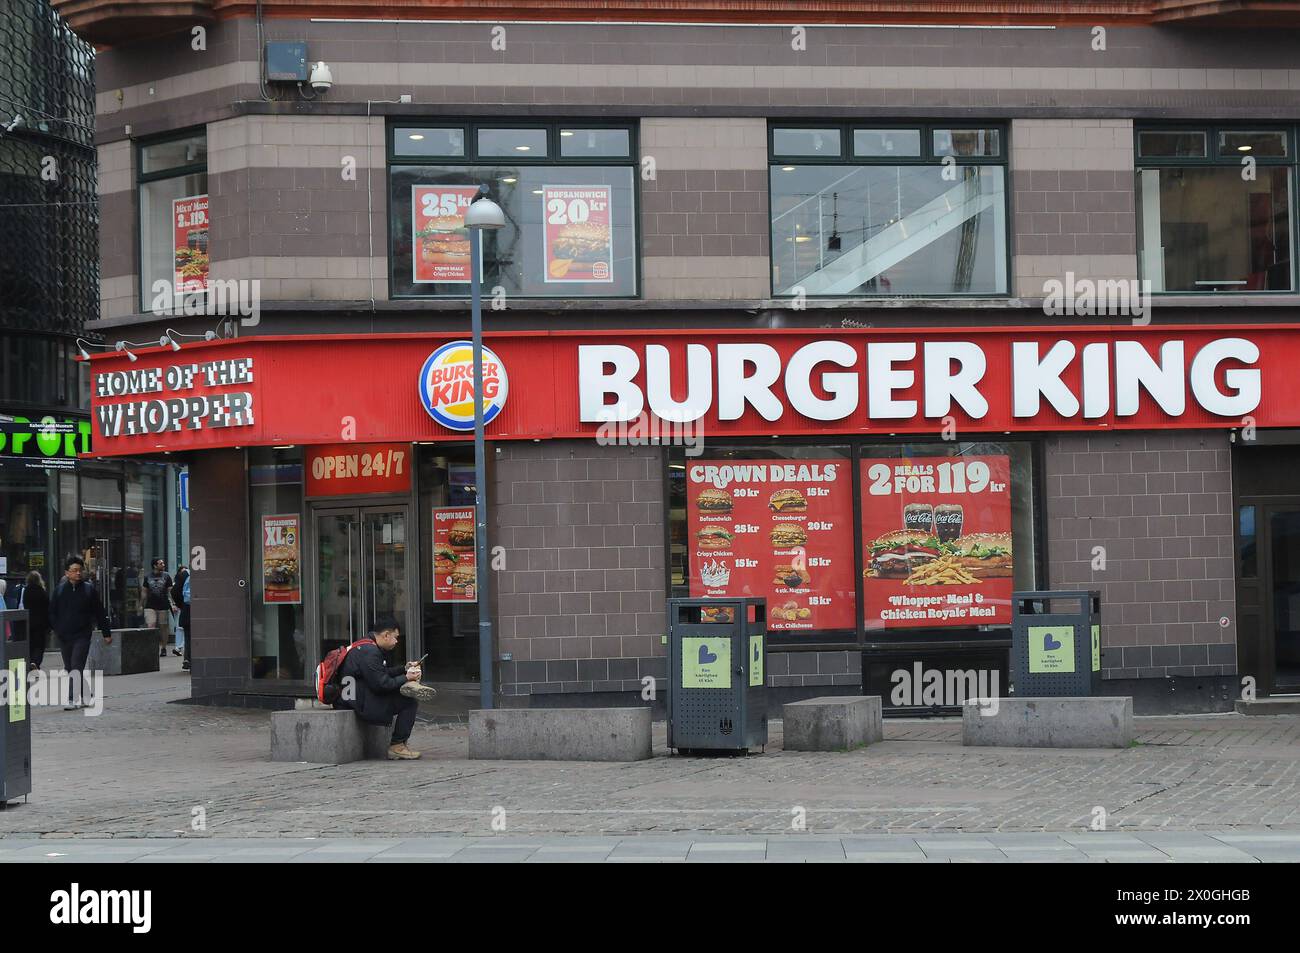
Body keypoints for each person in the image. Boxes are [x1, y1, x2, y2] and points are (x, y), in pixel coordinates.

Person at [332, 617, 436, 760]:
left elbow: (380, 673)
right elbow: (381, 685)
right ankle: (397, 746)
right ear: (386, 635)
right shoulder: (370, 652)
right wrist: (407, 678)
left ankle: (410, 687)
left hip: (351, 698)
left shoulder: (364, 645)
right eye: (395, 637)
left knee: (402, 692)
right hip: (358, 703)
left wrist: (404, 669)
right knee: (409, 702)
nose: (397, 641)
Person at [48, 556, 111, 710]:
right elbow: (52, 612)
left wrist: (106, 632)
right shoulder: (60, 590)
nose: (78, 573)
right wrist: (56, 628)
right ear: (67, 573)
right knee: (70, 666)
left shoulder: (89, 590)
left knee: (76, 664)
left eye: (80, 570)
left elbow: (99, 612)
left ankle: (72, 698)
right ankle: (85, 696)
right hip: (64, 635)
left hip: (82, 634)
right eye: (74, 570)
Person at [14, 571, 50, 671]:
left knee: (30, 644)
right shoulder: (42, 592)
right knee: (39, 645)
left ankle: (30, 661)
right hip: (40, 623)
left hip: (28, 622)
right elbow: (47, 608)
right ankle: (36, 662)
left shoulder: (25, 592)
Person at [141, 558, 175, 658]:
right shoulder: (147, 577)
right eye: (161, 563)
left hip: (163, 604)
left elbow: (170, 591)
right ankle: (152, 647)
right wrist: (140, 604)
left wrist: (173, 604)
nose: (163, 565)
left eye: (163, 563)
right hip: (150, 604)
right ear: (155, 566)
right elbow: (144, 591)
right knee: (151, 625)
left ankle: (163, 647)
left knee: (163, 626)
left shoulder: (166, 576)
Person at [173, 563, 190, 658]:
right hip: (185, 608)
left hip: (184, 607)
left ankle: (186, 657)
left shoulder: (181, 580)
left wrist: (180, 604)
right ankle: (185, 656)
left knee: (185, 633)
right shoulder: (187, 578)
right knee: (184, 631)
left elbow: (174, 592)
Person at [178, 572, 191, 672]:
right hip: (189, 609)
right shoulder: (190, 579)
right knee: (189, 636)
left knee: (188, 637)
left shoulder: (188, 578)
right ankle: (188, 659)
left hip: (186, 609)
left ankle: (187, 659)